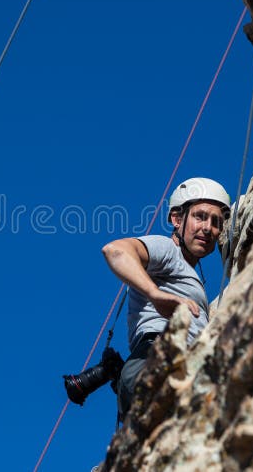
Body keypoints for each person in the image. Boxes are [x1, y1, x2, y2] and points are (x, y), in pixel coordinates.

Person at [101, 177, 230, 418]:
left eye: (216, 222)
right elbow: (115, 250)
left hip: (174, 364)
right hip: (155, 358)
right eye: (200, 216)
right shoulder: (167, 249)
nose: (208, 228)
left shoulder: (190, 273)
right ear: (177, 219)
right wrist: (155, 295)